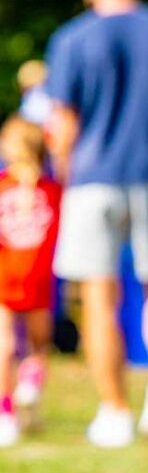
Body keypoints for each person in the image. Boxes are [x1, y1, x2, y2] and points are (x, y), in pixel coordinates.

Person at [44, 0, 148, 447]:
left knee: (99, 297)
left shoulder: (72, 39)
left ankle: (115, 410)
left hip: (93, 179)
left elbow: (63, 124)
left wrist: (63, 177)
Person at [0, 118, 62, 445]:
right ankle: (31, 382)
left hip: (4, 275)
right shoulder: (53, 190)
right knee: (38, 343)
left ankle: (5, 411)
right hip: (40, 276)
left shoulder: (2, 186)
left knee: (4, 343)